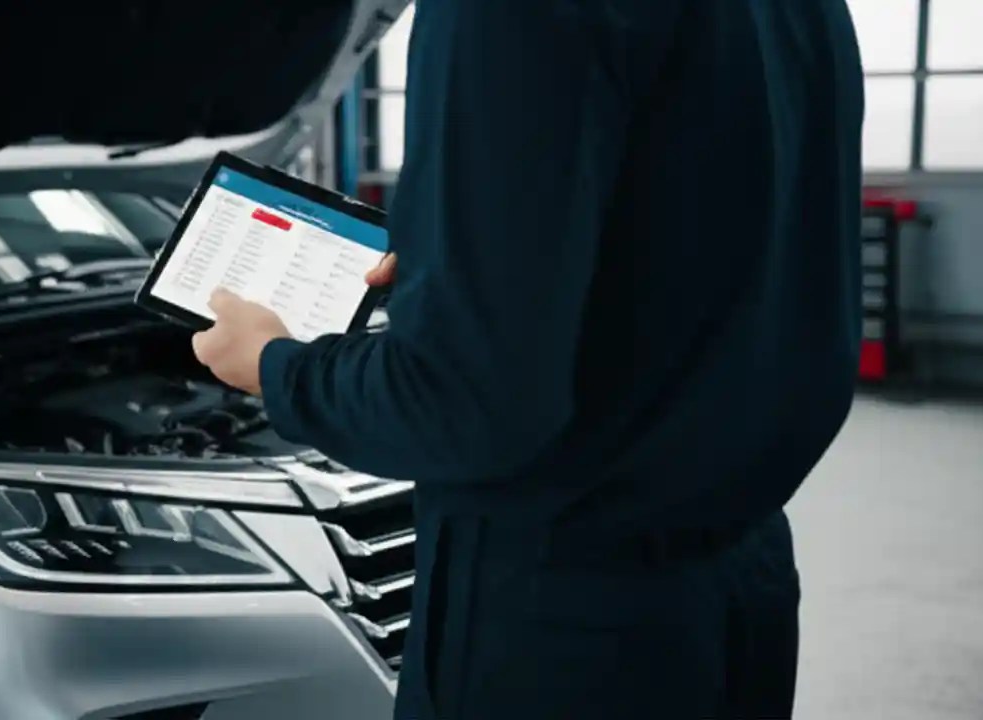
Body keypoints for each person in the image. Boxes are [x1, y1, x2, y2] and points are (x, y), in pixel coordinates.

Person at [191, 0, 864, 716]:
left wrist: (274, 364)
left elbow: (461, 405)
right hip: (738, 586)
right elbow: (694, 238)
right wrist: (456, 262)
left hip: (564, 630)